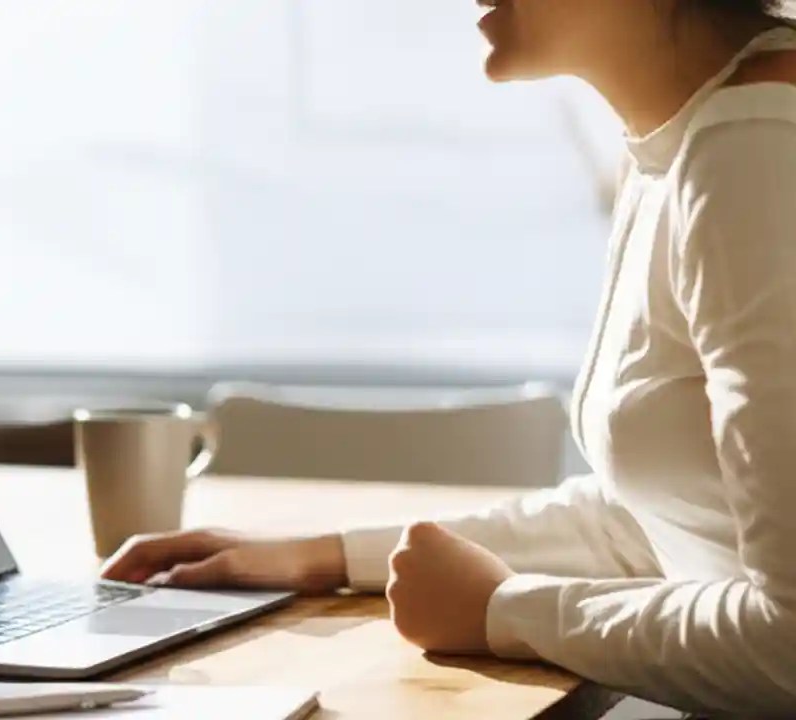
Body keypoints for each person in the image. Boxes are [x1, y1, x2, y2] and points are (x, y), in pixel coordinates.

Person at [100, 0, 796, 714]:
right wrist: (322, 556)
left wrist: (504, 611)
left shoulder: (753, 145)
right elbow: (659, 516)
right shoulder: (686, 140)